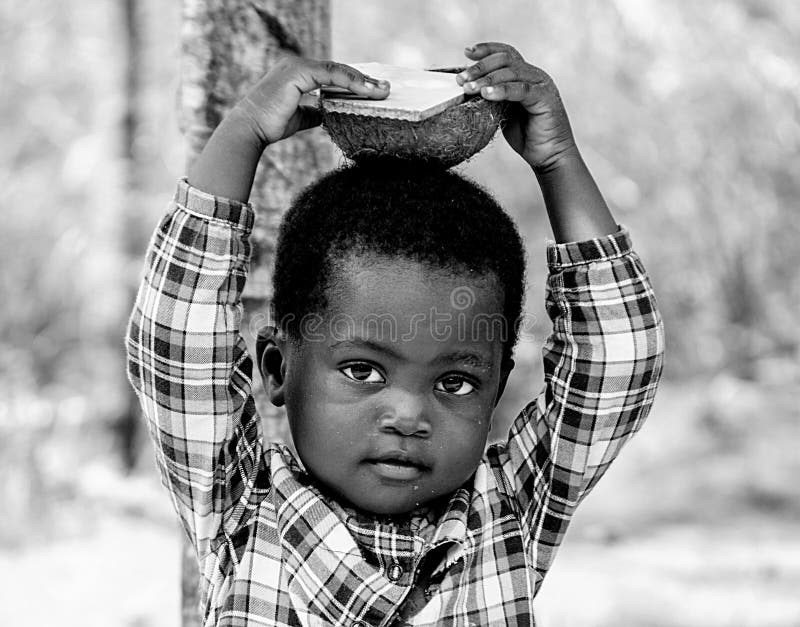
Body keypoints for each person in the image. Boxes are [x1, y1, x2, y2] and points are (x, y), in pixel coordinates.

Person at [127, 42, 664, 626]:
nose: (409, 414)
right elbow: (177, 344)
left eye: (456, 382)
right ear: (279, 369)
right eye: (363, 371)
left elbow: (619, 360)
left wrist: (556, 158)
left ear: (497, 388)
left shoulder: (505, 508)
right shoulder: (240, 509)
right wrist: (246, 128)